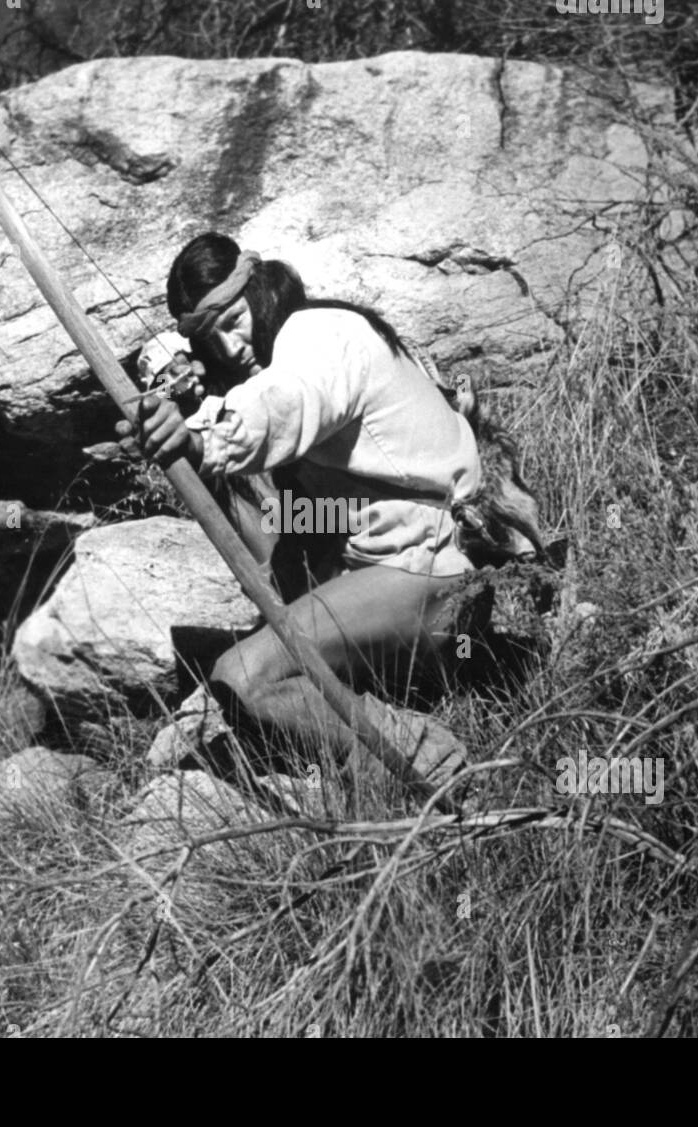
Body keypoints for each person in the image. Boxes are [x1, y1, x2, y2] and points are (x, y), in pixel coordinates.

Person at [116, 233, 490, 786]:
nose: (229, 347)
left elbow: (284, 399)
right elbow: (276, 500)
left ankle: (411, 751)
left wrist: (197, 442)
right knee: (275, 517)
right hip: (394, 565)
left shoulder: (317, 335)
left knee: (243, 678)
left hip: (432, 573)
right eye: (208, 337)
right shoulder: (290, 342)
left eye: (232, 320)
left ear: (260, 288)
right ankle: (364, 691)